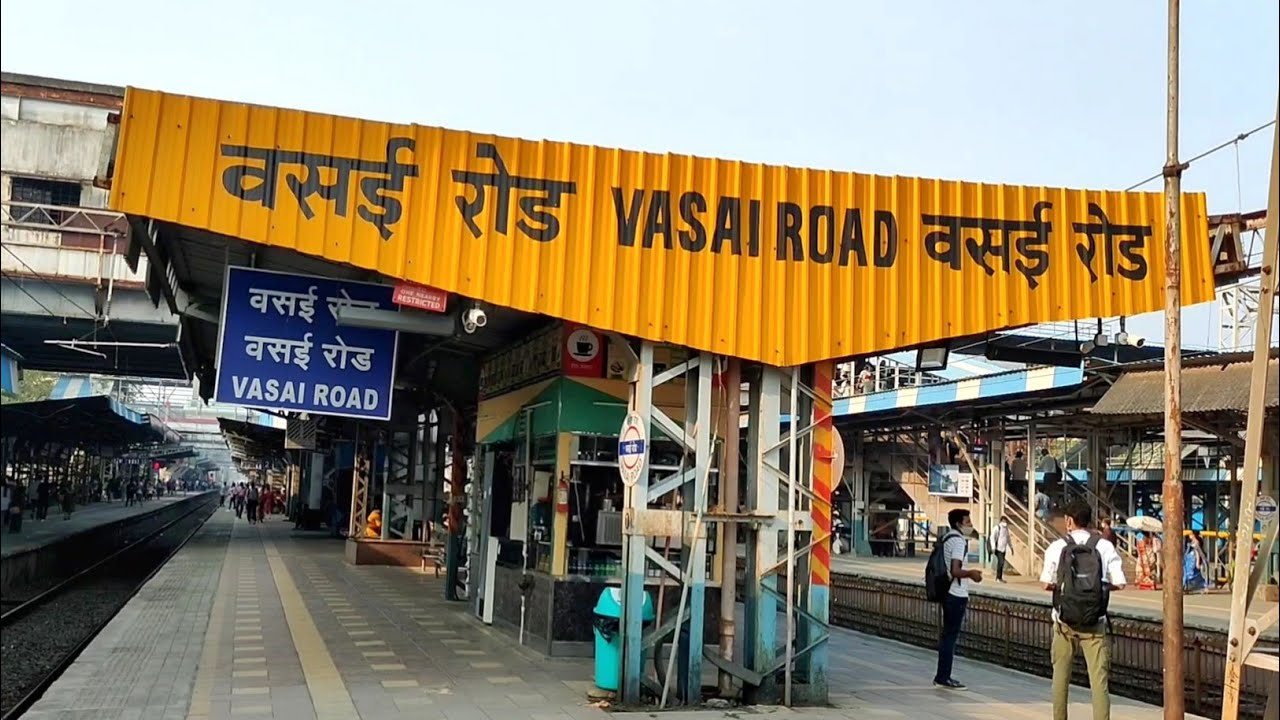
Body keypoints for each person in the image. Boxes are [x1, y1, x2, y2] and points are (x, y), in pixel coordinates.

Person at [1041, 500, 1125, 720]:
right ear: (1090, 520)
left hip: (1063, 622)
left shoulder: (1057, 546)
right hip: (1095, 623)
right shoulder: (1104, 546)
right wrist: (1097, 589)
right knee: (1099, 682)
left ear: (1069, 521)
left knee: (1060, 678)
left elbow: (1046, 583)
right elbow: (1120, 582)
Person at [934, 508, 982, 690]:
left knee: (947, 635)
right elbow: (955, 570)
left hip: (947, 592)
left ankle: (942, 675)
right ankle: (944, 676)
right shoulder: (959, 541)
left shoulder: (947, 538)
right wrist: (972, 574)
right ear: (958, 523)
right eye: (968, 522)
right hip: (956, 594)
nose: (970, 525)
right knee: (950, 637)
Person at [990, 516, 1011, 582]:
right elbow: (992, 537)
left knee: (1001, 563)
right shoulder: (997, 528)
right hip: (998, 548)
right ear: (1001, 521)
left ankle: (999, 577)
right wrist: (993, 547)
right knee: (1001, 562)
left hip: (1003, 548)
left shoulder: (1006, 529)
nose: (1005, 523)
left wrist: (1011, 547)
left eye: (1005, 521)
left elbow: (1008, 538)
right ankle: (998, 578)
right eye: (1003, 521)